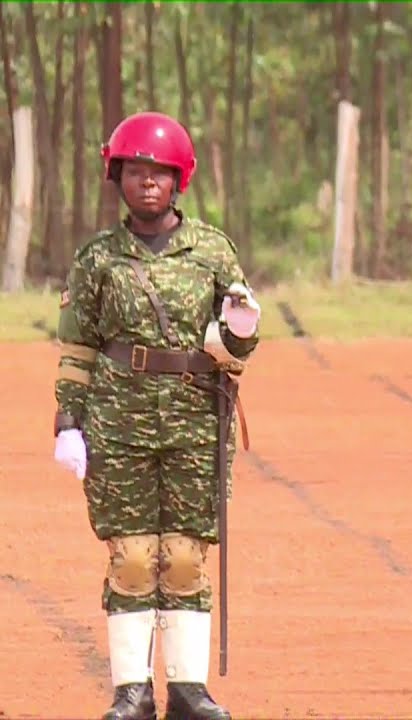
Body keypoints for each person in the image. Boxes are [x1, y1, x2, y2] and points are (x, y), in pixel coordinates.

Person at [52, 111, 259, 720]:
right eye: (136, 172)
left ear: (179, 181)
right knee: (135, 555)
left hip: (197, 420)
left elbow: (239, 340)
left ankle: (189, 689)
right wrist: (68, 420)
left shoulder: (213, 251)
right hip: (118, 421)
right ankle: (132, 690)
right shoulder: (98, 260)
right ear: (117, 177)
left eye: (159, 174)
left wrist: (242, 329)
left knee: (188, 554)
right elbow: (78, 347)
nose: (148, 183)